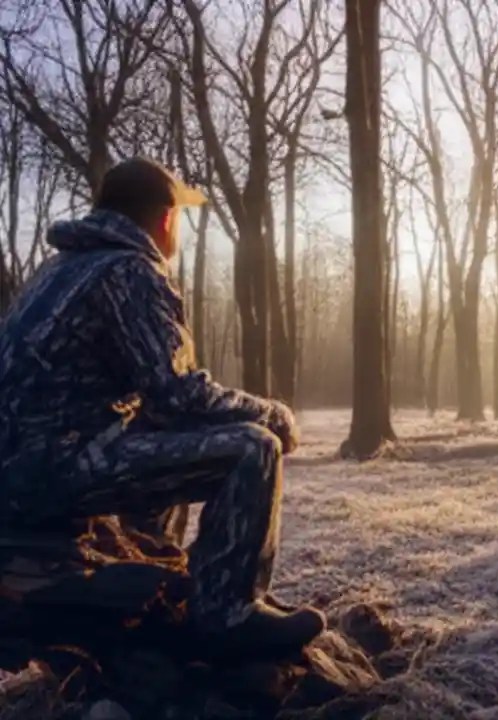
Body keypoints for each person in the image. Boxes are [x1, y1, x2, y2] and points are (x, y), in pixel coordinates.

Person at [0, 158, 323, 657]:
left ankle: (157, 562)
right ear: (165, 218)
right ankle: (226, 613)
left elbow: (154, 403)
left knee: (149, 423)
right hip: (57, 469)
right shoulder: (130, 271)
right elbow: (181, 398)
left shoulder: (59, 270)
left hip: (23, 469)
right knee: (252, 448)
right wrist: (273, 414)